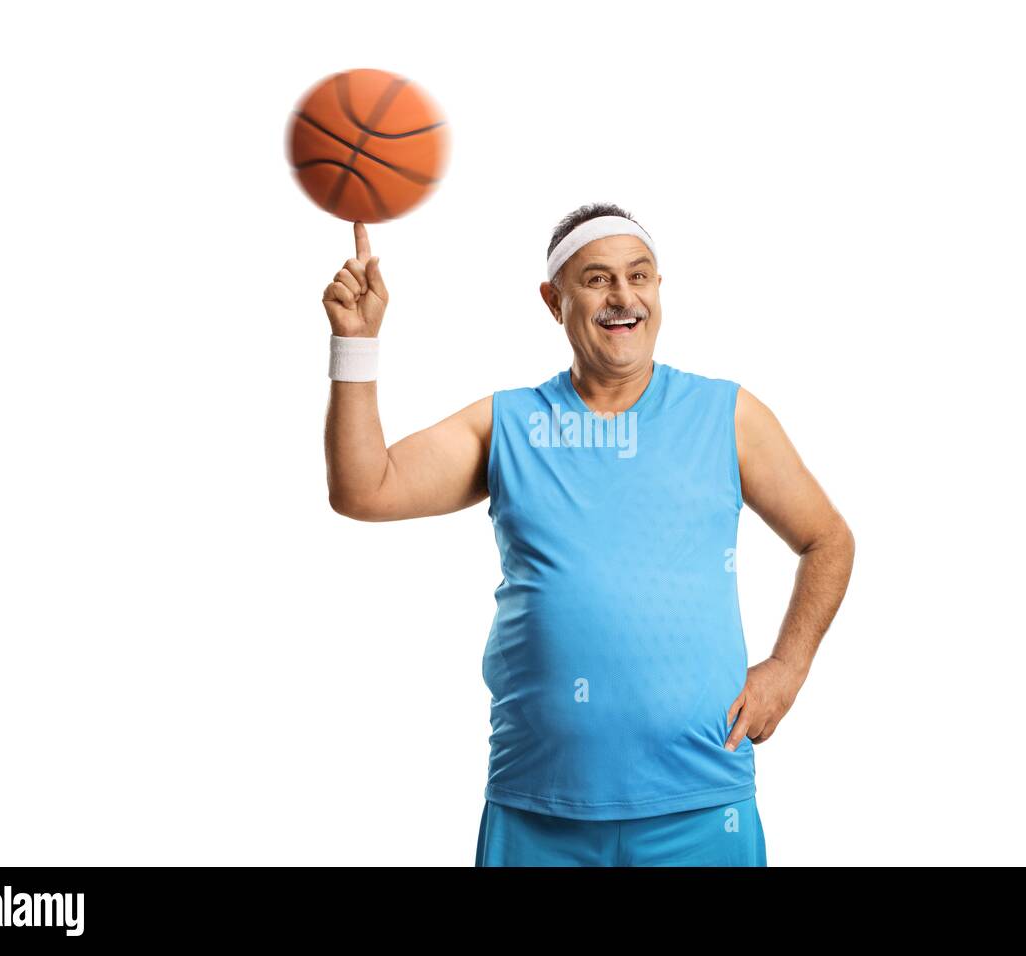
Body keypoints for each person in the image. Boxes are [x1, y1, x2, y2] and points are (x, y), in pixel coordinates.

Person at [323, 202, 855, 866]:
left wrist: (788, 668)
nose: (623, 296)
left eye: (640, 276)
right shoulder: (511, 424)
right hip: (539, 807)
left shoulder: (727, 416)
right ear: (555, 300)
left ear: (660, 288)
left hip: (699, 803)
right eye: (597, 279)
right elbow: (363, 488)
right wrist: (356, 344)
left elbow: (828, 539)